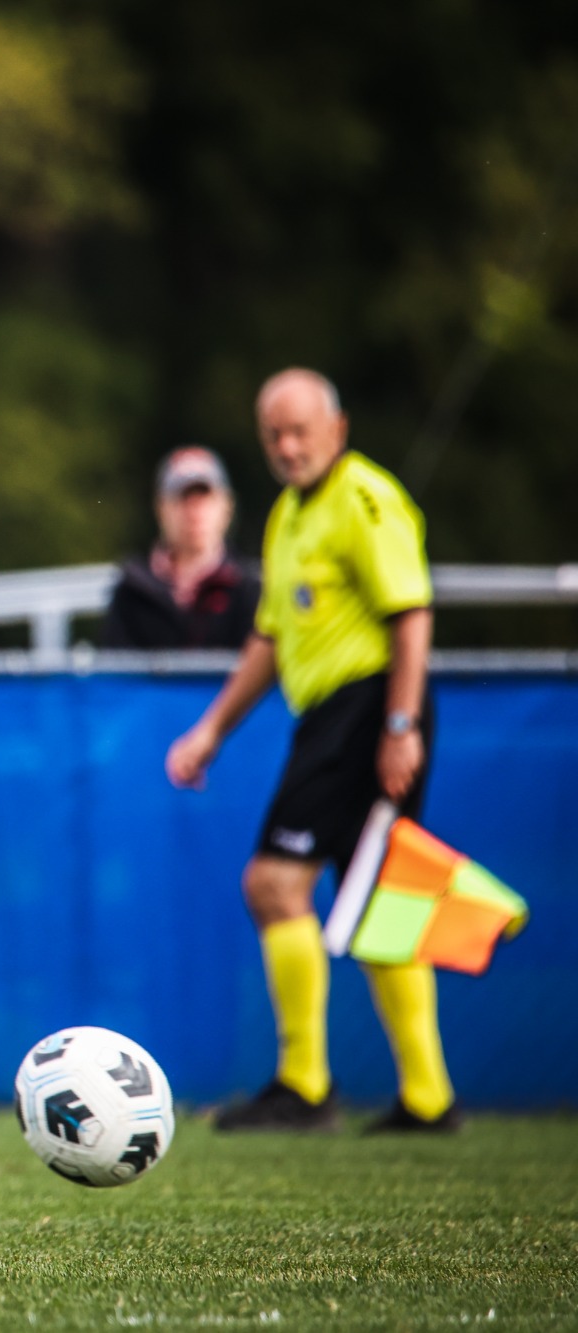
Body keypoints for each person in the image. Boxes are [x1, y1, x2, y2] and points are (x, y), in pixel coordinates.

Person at [166, 368, 455, 1134]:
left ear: (338, 428)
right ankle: (427, 1098)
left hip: (368, 709)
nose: (288, 447)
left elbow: (411, 613)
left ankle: (306, 1084)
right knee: (378, 898)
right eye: (274, 435)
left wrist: (400, 725)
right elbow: (269, 636)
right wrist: (211, 730)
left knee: (275, 882)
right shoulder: (290, 514)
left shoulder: (364, 497)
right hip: (334, 715)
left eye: (300, 431)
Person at [102, 446, 260, 649]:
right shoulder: (132, 590)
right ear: (161, 508)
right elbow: (113, 663)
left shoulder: (247, 589)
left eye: (204, 499)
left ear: (226, 506)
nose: (194, 512)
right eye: (183, 499)